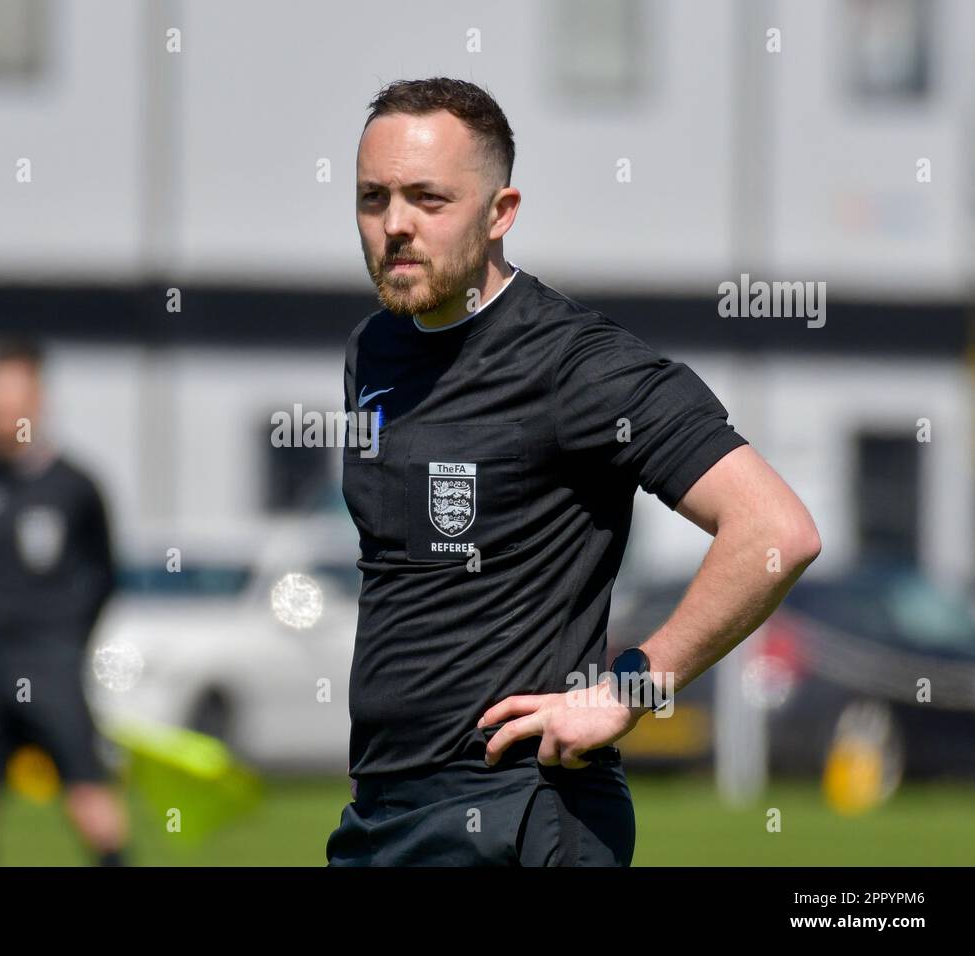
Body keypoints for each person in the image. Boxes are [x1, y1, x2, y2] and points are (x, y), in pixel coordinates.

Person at [326, 78, 820, 866]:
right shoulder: (374, 352)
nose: (396, 225)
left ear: (500, 211)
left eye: (428, 198)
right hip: (384, 813)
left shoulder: (578, 365)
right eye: (372, 197)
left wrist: (630, 691)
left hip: (522, 810)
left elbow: (776, 531)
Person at [0, 338, 130, 866]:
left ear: (36, 402)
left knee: (89, 798)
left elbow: (103, 574)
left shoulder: (75, 487)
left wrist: (66, 639)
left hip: (52, 664)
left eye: (10, 401)